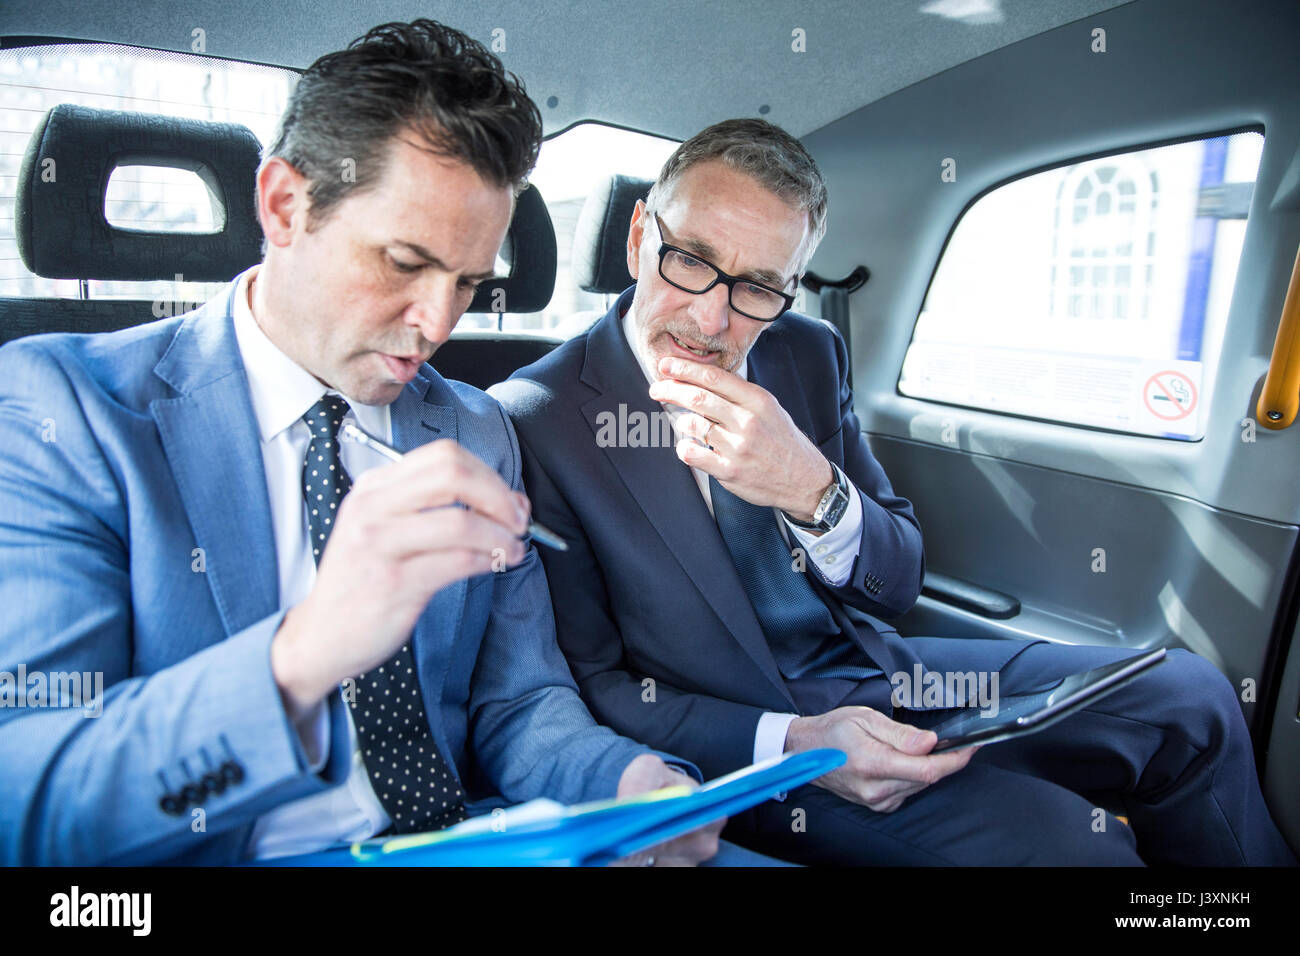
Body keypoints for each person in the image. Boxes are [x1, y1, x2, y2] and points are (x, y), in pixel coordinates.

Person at [0, 19, 741, 867]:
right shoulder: (64, 415)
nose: (436, 324)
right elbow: (32, 804)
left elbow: (519, 702)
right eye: (400, 262)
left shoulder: (474, 427)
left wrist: (625, 781)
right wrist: (305, 652)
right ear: (284, 205)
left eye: (467, 283)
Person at [491, 118, 1299, 866]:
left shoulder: (805, 352)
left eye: (759, 288)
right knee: (1068, 849)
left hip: (883, 673)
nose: (711, 319)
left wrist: (813, 490)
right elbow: (591, 688)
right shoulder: (538, 418)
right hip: (751, 748)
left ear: (791, 288)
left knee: (1188, 700)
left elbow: (897, 578)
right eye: (690, 260)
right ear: (640, 236)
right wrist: (798, 742)